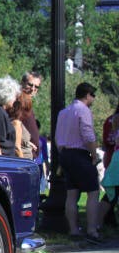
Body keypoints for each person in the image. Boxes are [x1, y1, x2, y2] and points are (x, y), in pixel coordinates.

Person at [55, 82, 101, 241]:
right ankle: (92, 230)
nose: (93, 99)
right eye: (93, 95)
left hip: (65, 154)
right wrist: (94, 154)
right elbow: (88, 135)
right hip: (80, 154)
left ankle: (74, 230)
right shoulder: (83, 110)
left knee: (72, 193)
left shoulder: (63, 112)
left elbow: (58, 136)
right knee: (93, 192)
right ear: (87, 95)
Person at [19, 72, 43, 160]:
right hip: (22, 156)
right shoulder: (18, 102)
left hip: (30, 156)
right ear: (22, 83)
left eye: (36, 87)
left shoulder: (27, 103)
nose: (33, 89)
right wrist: (25, 142)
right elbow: (11, 125)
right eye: (30, 85)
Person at [8, 93, 36, 159]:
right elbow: (17, 147)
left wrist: (28, 143)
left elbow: (17, 139)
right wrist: (24, 163)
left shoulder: (16, 122)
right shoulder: (16, 123)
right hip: (22, 162)